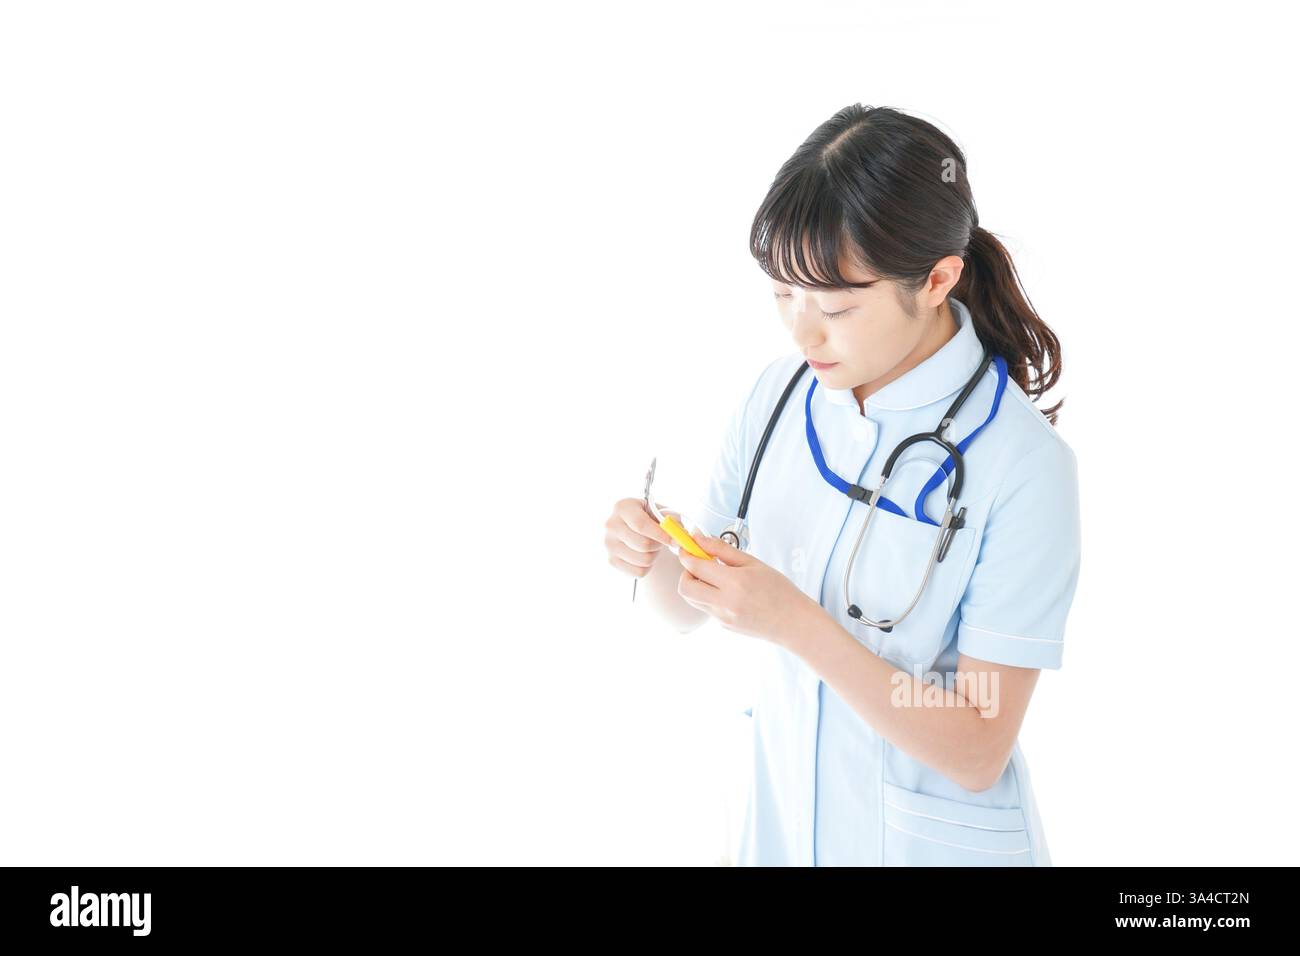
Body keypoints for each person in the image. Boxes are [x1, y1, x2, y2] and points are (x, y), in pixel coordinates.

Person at [603, 104, 1081, 866]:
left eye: (835, 306)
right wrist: (657, 552)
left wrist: (795, 623)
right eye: (783, 296)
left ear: (937, 278)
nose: (802, 334)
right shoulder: (779, 397)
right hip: (784, 834)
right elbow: (687, 613)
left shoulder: (1023, 466)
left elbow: (978, 748)